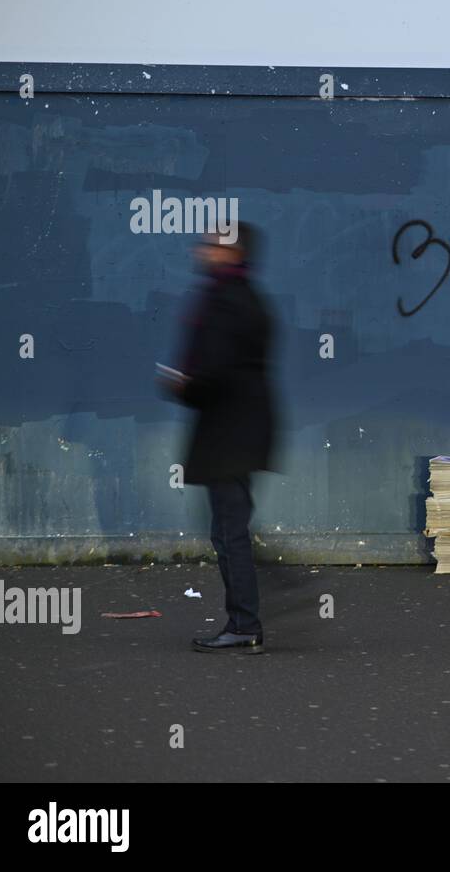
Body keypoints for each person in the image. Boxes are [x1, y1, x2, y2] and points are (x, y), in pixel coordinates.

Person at [160, 221, 278, 654]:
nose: (203, 249)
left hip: (230, 433)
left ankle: (245, 623)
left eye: (212, 244)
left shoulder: (226, 300)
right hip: (239, 431)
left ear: (231, 252)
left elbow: (217, 369)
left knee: (229, 532)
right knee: (230, 528)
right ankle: (251, 611)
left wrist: (182, 385)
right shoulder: (245, 296)